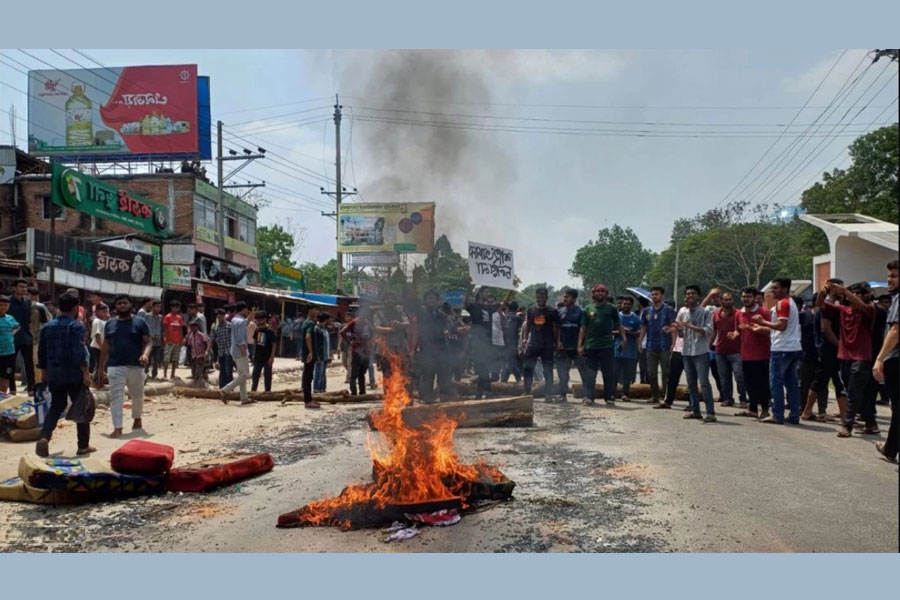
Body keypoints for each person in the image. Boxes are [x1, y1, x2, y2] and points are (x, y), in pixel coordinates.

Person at [34, 292, 94, 457]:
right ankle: (83, 446)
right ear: (76, 308)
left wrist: (44, 373)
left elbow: (42, 353)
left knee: (56, 406)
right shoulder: (77, 326)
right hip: (74, 374)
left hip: (54, 374)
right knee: (82, 407)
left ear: (58, 307)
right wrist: (86, 373)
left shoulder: (47, 327)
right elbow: (79, 353)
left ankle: (44, 437)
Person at [817, 281, 877, 437]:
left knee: (853, 390)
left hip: (862, 356)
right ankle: (871, 423)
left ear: (865, 296)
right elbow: (820, 305)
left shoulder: (869, 309)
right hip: (845, 355)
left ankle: (847, 425)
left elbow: (861, 305)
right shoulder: (843, 309)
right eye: (853, 293)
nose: (855, 296)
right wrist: (825, 292)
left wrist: (844, 290)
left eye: (858, 293)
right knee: (855, 392)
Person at [96, 294, 151, 438]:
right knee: (116, 397)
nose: (122, 306)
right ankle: (117, 427)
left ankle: (137, 418)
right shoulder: (110, 324)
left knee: (137, 396)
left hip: (136, 365)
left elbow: (148, 342)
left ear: (130, 305)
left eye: (125, 303)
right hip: (115, 366)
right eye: (119, 303)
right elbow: (105, 346)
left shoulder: (140, 322)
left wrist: (145, 354)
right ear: (115, 307)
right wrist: (100, 369)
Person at [752, 278, 803, 425]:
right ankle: (794, 415)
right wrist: (763, 328)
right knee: (791, 383)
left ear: (785, 289)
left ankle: (777, 414)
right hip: (793, 346)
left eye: (776, 288)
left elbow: (781, 326)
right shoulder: (791, 302)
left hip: (781, 348)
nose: (772, 291)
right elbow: (783, 328)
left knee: (776, 382)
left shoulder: (782, 303)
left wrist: (762, 322)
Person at [578, 284, 625, 406]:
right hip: (591, 346)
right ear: (593, 294)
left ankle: (609, 397)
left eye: (603, 291)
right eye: (598, 291)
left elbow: (619, 325)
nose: (600, 293)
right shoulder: (587, 309)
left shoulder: (611, 309)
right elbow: (583, 328)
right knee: (590, 374)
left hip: (607, 346)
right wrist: (580, 345)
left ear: (606, 294)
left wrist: (624, 339)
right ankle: (589, 397)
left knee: (608, 373)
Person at [465, 286, 515, 398]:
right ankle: (486, 392)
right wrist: (469, 287)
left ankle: (480, 393)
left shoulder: (490, 308)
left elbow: (504, 304)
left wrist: (510, 290)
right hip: (477, 343)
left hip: (489, 343)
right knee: (482, 369)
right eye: (486, 291)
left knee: (487, 369)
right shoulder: (474, 307)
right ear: (480, 294)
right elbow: (466, 302)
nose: (489, 293)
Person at [676, 285, 716, 423]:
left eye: (693, 293)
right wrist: (676, 329)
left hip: (701, 351)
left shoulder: (706, 312)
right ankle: (695, 410)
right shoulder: (683, 312)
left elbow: (708, 331)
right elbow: (681, 333)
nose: (690, 296)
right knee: (691, 383)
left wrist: (691, 326)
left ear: (699, 296)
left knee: (704, 382)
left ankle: (710, 412)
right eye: (687, 294)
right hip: (687, 351)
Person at [732, 287, 772, 419]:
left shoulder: (763, 312)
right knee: (748, 383)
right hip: (745, 353)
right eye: (743, 296)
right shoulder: (739, 313)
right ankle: (753, 408)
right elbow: (738, 329)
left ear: (755, 298)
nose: (745, 299)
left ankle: (765, 409)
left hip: (761, 354)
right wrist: (735, 334)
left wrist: (755, 328)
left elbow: (771, 330)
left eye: (748, 297)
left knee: (762, 383)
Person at [873, 260, 898, 462]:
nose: (889, 279)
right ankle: (890, 448)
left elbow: (896, 330)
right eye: (889, 275)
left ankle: (890, 448)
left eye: (894, 276)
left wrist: (880, 359)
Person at [520, 287, 560, 403]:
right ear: (536, 297)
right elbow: (528, 325)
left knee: (547, 370)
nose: (540, 299)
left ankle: (548, 394)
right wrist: (524, 339)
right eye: (538, 297)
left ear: (546, 298)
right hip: (533, 343)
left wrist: (557, 342)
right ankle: (527, 391)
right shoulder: (531, 310)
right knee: (527, 368)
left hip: (547, 344)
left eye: (542, 297)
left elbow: (556, 328)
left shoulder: (552, 311)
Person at [641, 286, 676, 408]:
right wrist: (640, 341)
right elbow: (644, 327)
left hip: (664, 346)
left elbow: (673, 327)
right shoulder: (646, 311)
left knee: (666, 372)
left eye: (657, 294)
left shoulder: (669, 310)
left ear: (662, 296)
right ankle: (655, 395)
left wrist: (673, 343)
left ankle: (665, 396)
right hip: (650, 345)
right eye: (653, 294)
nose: (654, 296)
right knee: (651, 373)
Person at [416, 290, 453, 404]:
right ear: (425, 300)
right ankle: (427, 398)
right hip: (426, 349)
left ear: (437, 301)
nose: (432, 300)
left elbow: (448, 327)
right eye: (429, 298)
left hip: (441, 349)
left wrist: (447, 331)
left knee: (443, 375)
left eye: (434, 298)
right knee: (427, 374)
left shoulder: (442, 316)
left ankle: (444, 397)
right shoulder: (420, 313)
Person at [711, 291, 746, 408]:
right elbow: (714, 331)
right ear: (721, 301)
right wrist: (709, 345)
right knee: (724, 377)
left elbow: (741, 328)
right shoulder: (716, 314)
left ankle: (743, 399)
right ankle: (727, 398)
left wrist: (737, 334)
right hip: (720, 349)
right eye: (726, 300)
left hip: (736, 350)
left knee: (739, 376)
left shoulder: (738, 313)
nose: (728, 301)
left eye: (730, 299)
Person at [8, 278, 42, 395]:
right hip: (11, 339)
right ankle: (12, 389)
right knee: (10, 364)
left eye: (25, 287)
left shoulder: (28, 304)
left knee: (29, 365)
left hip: (27, 338)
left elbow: (33, 321)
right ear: (14, 288)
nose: (23, 289)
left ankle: (31, 389)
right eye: (21, 287)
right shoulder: (7, 303)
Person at [220, 302, 254, 405]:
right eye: (246, 310)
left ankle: (244, 398)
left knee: (241, 375)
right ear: (243, 310)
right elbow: (240, 339)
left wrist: (252, 313)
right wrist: (244, 352)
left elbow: (247, 321)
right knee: (245, 375)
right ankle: (225, 390)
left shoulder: (235, 320)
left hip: (234, 350)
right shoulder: (240, 322)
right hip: (240, 350)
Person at [373, 296, 411, 380]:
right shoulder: (379, 313)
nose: (389, 301)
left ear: (395, 301)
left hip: (401, 347)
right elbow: (377, 327)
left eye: (391, 299)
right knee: (387, 374)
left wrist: (398, 324)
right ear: (383, 301)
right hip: (386, 348)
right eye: (387, 299)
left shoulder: (400, 312)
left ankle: (403, 392)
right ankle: (389, 393)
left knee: (403, 373)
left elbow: (407, 323)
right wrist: (389, 329)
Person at [556, 290, 583, 403]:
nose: (564, 299)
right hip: (564, 347)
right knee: (562, 373)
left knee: (583, 372)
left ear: (574, 298)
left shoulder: (581, 312)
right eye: (564, 297)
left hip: (577, 348)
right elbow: (558, 328)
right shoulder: (560, 311)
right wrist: (558, 341)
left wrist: (581, 345)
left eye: (567, 297)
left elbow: (583, 329)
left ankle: (587, 395)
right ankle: (563, 395)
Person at [342, 306, 374, 396]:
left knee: (362, 373)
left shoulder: (367, 322)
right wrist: (350, 341)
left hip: (366, 351)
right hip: (356, 351)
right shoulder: (354, 322)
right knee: (354, 374)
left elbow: (372, 333)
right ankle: (354, 393)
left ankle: (362, 392)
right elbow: (343, 332)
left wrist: (370, 343)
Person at [614, 296, 641, 402]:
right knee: (615, 373)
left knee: (627, 374)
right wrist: (621, 331)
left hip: (630, 350)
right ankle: (612, 393)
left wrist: (629, 332)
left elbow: (638, 333)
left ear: (631, 305)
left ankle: (625, 393)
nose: (626, 306)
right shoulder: (616, 317)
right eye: (624, 304)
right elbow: (610, 331)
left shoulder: (636, 318)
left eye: (628, 304)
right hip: (617, 349)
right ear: (621, 305)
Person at [300, 307, 322, 408]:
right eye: (315, 310)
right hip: (308, 354)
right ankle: (307, 401)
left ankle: (309, 399)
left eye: (317, 310)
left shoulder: (306, 322)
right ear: (309, 311)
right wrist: (311, 352)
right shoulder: (310, 323)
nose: (317, 312)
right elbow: (308, 337)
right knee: (308, 377)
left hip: (307, 353)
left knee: (308, 376)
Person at [250, 311, 276, 392]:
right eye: (257, 319)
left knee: (267, 375)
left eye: (259, 319)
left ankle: (267, 391)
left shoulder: (270, 330)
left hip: (267, 356)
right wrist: (253, 354)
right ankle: (253, 391)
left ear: (264, 319)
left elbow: (274, 344)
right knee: (255, 374)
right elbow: (256, 343)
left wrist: (272, 357)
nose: (258, 321)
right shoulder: (258, 330)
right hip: (258, 356)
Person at [0, 295, 19, 393]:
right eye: (1, 305)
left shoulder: (10, 318)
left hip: (9, 352)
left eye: (5, 305)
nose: (3, 307)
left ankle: (2, 396)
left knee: (6, 375)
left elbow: (17, 326)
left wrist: (12, 333)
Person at [162, 301, 185, 379]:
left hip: (177, 341)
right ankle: (165, 374)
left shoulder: (179, 318)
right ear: (171, 308)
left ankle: (172, 374)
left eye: (178, 307)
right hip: (169, 341)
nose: (176, 309)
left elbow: (181, 329)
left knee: (175, 358)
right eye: (175, 307)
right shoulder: (167, 317)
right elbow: (165, 329)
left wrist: (181, 339)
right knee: (167, 358)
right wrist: (168, 339)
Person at [184, 321, 211, 387]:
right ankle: (198, 385)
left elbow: (208, 343)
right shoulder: (191, 336)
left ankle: (199, 386)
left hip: (201, 355)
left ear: (197, 327)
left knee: (198, 372)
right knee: (193, 371)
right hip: (194, 356)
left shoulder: (201, 335)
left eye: (194, 327)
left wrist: (206, 352)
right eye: (191, 327)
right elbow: (189, 345)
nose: (193, 328)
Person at [213, 309, 233, 388]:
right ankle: (222, 388)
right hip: (221, 353)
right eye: (218, 317)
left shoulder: (229, 326)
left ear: (224, 316)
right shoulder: (216, 328)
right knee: (222, 372)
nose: (220, 318)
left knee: (228, 371)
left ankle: (230, 388)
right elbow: (213, 339)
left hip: (229, 352)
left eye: (221, 316)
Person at [143, 300, 163, 379]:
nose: (159, 309)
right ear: (153, 307)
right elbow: (143, 327)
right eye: (157, 307)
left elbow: (162, 328)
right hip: (148, 340)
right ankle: (145, 373)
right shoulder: (147, 316)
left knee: (156, 359)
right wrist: (149, 334)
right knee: (147, 357)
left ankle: (154, 374)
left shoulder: (161, 317)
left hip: (157, 341)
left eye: (160, 307)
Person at [89, 303, 109, 376]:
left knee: (102, 365)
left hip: (102, 346)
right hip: (97, 346)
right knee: (99, 365)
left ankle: (99, 382)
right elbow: (97, 335)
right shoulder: (97, 321)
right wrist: (101, 347)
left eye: (106, 312)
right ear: (97, 312)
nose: (105, 314)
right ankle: (97, 382)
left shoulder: (105, 321)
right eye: (103, 312)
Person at [313, 313, 331, 393]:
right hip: (320, 356)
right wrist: (317, 356)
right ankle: (316, 390)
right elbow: (316, 344)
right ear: (325, 320)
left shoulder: (325, 329)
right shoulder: (317, 329)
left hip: (325, 356)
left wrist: (329, 354)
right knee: (318, 374)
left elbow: (327, 343)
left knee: (323, 374)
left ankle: (322, 389)